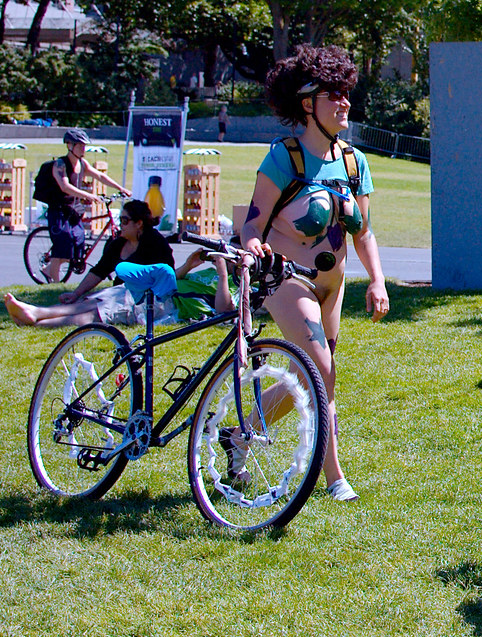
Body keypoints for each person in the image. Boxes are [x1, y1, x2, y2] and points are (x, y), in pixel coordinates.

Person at [240, 44, 389, 503]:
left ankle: (237, 436)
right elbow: (253, 220)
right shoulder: (285, 156)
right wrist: (251, 245)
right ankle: (333, 477)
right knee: (321, 367)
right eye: (334, 95)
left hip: (333, 286)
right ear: (308, 104)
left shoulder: (352, 162)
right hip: (288, 280)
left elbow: (363, 232)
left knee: (307, 378)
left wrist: (378, 281)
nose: (345, 102)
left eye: (347, 93)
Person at [4, 200, 193, 327]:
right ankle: (35, 313)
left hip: (142, 300)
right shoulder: (118, 243)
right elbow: (100, 270)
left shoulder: (155, 243)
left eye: (125, 221)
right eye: (121, 220)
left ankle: (36, 317)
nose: (121, 225)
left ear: (139, 223)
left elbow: (167, 278)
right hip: (119, 293)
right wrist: (76, 292)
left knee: (93, 312)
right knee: (86, 302)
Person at [43, 128, 132, 283]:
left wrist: (120, 188)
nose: (83, 149)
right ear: (69, 145)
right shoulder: (60, 164)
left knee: (78, 244)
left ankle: (48, 269)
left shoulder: (82, 164)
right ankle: (55, 284)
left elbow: (99, 175)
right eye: (80, 145)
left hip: (72, 210)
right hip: (58, 210)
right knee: (63, 244)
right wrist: (89, 195)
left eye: (84, 145)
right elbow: (65, 186)